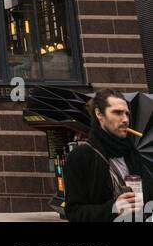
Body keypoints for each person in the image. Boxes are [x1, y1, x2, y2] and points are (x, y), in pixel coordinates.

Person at [65, 88, 153, 222]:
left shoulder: (132, 152)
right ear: (99, 114)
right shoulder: (80, 157)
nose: (125, 120)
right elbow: (75, 213)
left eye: (127, 114)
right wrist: (113, 208)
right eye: (117, 113)